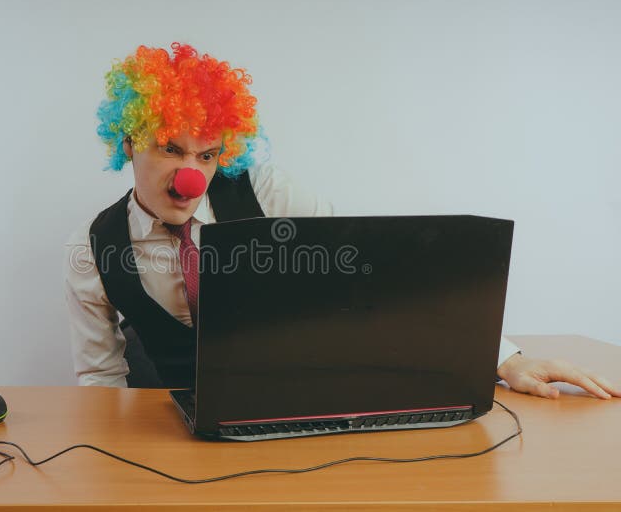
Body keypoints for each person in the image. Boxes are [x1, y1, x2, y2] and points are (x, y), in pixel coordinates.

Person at [64, 42, 620, 400]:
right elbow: (100, 379)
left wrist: (508, 360)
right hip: (173, 427)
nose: (191, 175)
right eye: (170, 148)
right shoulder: (94, 250)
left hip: (290, 403)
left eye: (207, 155)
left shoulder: (264, 192)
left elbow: (374, 273)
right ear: (130, 140)